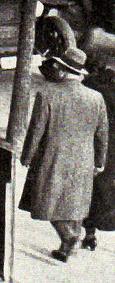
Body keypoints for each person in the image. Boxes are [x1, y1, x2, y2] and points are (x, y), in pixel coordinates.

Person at [21, 46, 108, 261]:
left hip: (53, 158)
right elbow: (102, 134)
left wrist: (27, 156)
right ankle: (66, 246)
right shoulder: (96, 98)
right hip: (83, 161)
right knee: (75, 205)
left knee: (46, 202)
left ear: (61, 70)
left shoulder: (47, 94)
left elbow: (36, 130)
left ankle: (69, 238)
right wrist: (100, 161)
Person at [83, 55, 115, 251]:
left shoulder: (90, 90)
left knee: (90, 190)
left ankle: (89, 233)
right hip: (114, 149)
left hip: (94, 145)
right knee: (106, 188)